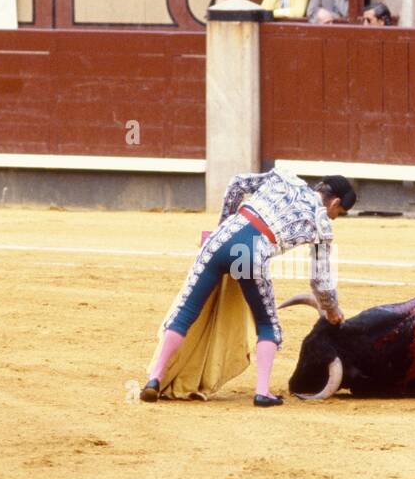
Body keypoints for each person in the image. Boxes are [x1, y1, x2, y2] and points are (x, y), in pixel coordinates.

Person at [140, 171, 355, 406]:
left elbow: (237, 183)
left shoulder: (285, 179)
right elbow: (320, 280)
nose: (334, 217)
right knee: (267, 325)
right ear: (335, 202)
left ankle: (154, 379)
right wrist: (331, 309)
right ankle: (262, 392)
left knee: (185, 313)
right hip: (250, 254)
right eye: (339, 213)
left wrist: (224, 224)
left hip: (219, 241)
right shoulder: (321, 223)